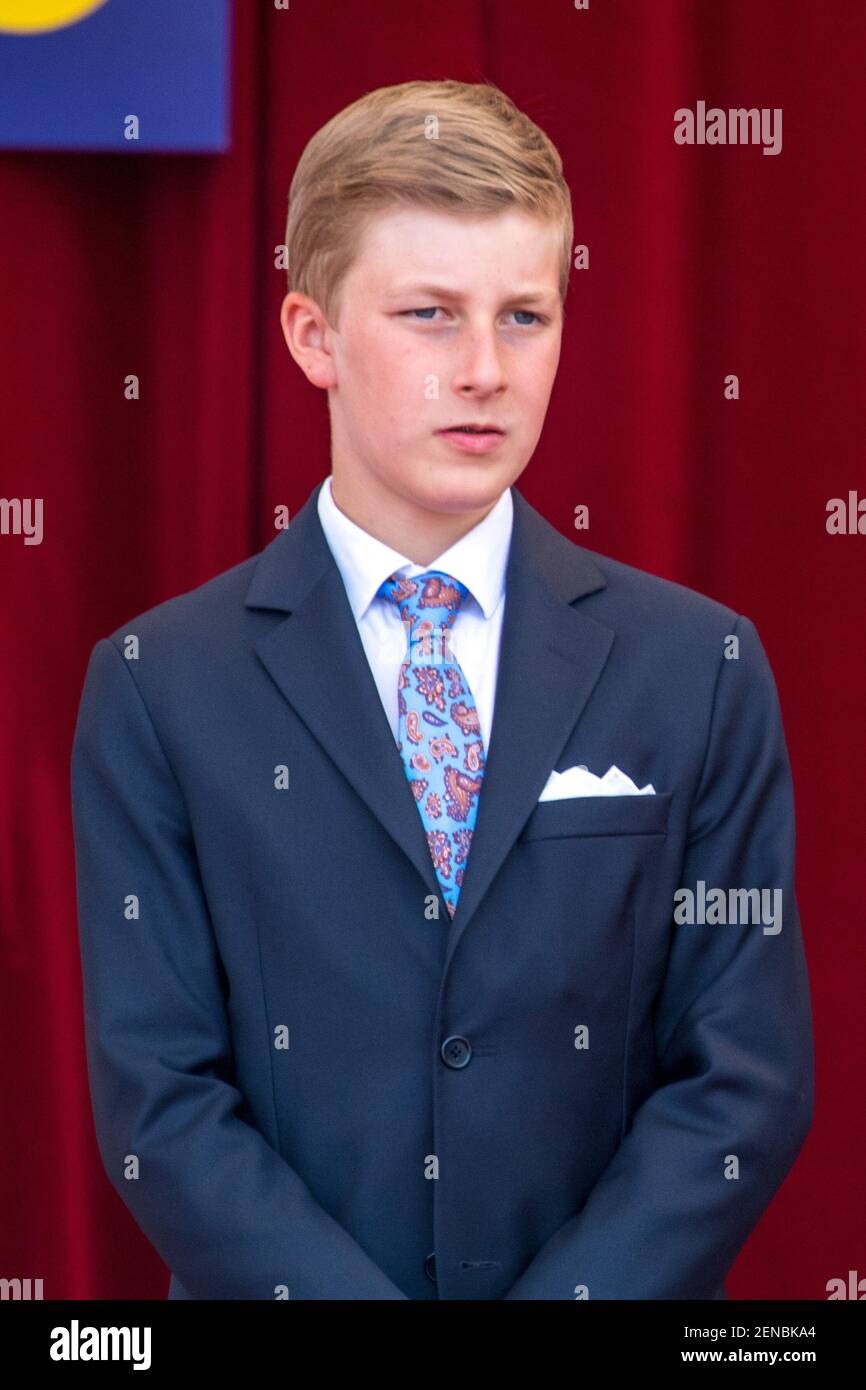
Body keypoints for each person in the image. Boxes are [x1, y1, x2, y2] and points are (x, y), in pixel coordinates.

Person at [71, 78, 814, 1300]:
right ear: (311, 335)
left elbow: (745, 1074)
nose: (484, 369)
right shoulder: (159, 688)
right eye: (428, 314)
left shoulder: (700, 666)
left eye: (525, 315)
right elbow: (159, 1098)